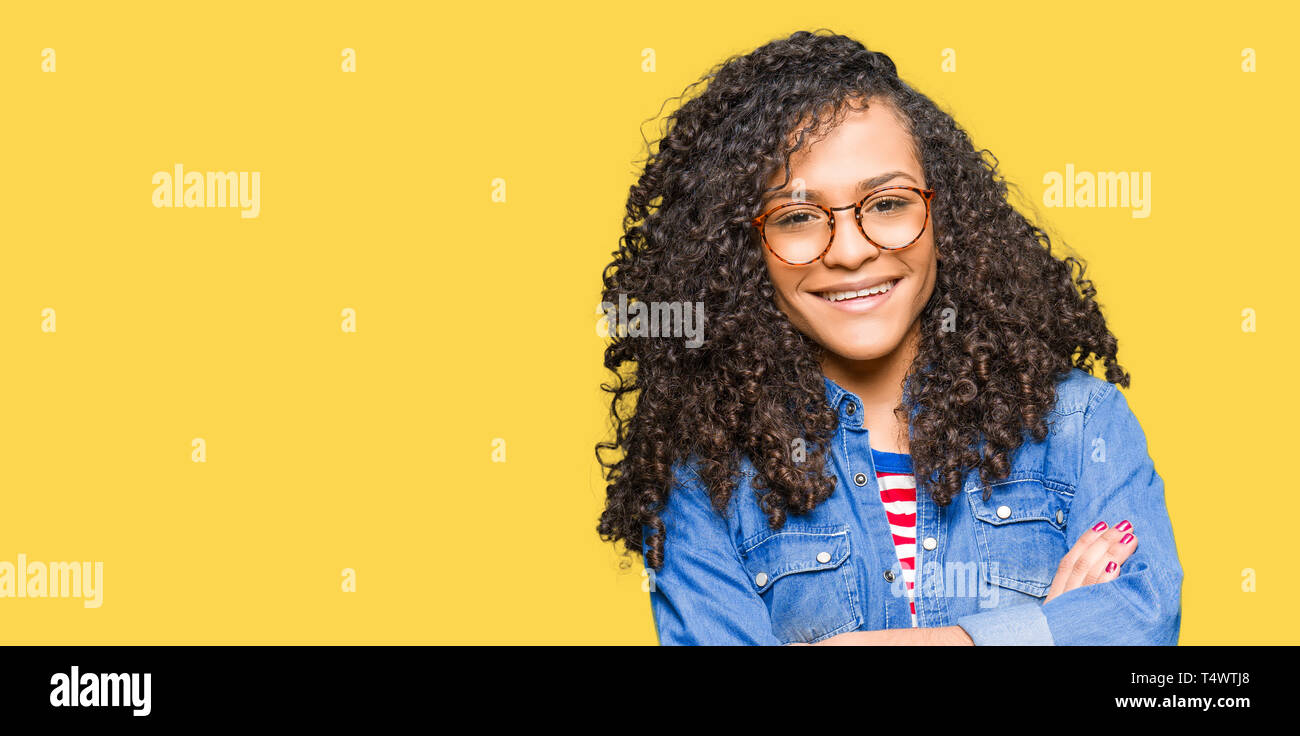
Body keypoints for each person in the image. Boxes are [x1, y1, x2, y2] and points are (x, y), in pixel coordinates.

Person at [596, 29, 1182, 645]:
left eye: (886, 203)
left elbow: (1143, 631)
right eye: (797, 217)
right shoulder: (703, 477)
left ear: (943, 216)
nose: (850, 252)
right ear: (740, 251)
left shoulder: (1078, 423)